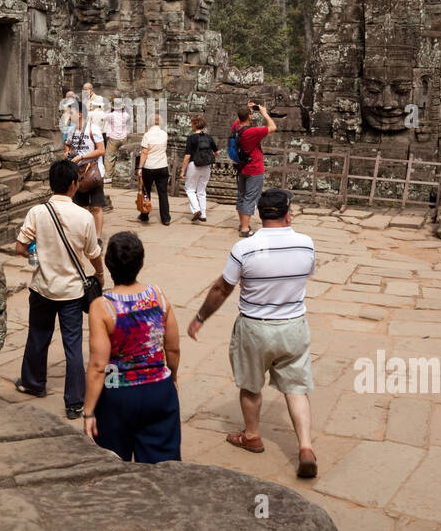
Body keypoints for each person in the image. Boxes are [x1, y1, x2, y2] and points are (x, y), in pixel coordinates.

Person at [188, 189, 318, 478]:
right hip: (293, 326)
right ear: (288, 214)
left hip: (255, 326)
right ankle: (306, 447)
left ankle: (252, 435)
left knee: (250, 386)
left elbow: (222, 288)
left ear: (259, 215)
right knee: (296, 389)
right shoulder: (306, 245)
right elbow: (306, 274)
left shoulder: (244, 248)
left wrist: (200, 318)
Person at [15, 160, 106, 420]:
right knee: (73, 346)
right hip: (72, 292)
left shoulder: (37, 212)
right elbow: (94, 253)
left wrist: (36, 254)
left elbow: (20, 247)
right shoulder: (84, 216)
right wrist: (99, 275)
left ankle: (33, 382)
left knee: (38, 336)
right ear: (74, 185)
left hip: (43, 286)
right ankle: (75, 402)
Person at [82, 232, 182, 462]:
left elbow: (98, 365)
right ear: (141, 262)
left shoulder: (103, 307)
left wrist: (88, 411)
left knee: (115, 466)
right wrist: (172, 377)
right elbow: (173, 348)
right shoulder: (158, 296)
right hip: (158, 388)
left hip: (117, 391)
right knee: (163, 466)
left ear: (108, 265)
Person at [230, 102, 276, 237]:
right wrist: (264, 113)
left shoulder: (236, 128)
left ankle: (242, 223)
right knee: (250, 198)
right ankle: (245, 229)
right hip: (254, 169)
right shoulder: (252, 132)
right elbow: (273, 127)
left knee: (241, 196)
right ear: (250, 116)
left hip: (242, 167)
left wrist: (246, 110)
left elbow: (239, 118)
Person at [68, 107, 107, 241]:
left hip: (94, 172)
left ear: (79, 114)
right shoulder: (71, 131)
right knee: (81, 207)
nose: (67, 115)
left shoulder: (93, 129)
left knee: (96, 207)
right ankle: (84, 235)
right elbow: (67, 145)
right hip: (78, 173)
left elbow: (101, 150)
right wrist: (67, 153)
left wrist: (83, 157)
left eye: (70, 112)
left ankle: (97, 237)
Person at [180, 114, 217, 222]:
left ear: (195, 125)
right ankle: (203, 214)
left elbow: (187, 156)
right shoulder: (209, 137)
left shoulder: (191, 138)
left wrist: (183, 171)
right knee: (201, 191)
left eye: (192, 123)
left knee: (190, 189)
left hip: (194, 165)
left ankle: (196, 210)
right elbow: (216, 152)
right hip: (207, 166)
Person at [137, 113, 171, 225]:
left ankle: (144, 214)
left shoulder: (147, 135)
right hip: (162, 166)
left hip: (149, 167)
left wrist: (140, 167)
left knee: (146, 191)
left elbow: (144, 152)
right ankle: (165, 218)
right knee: (163, 193)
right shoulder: (164, 134)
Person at [104, 94, 131, 201]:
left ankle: (108, 176)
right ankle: (118, 174)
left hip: (113, 138)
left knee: (110, 157)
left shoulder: (111, 115)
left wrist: (110, 110)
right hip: (123, 138)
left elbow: (104, 118)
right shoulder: (126, 115)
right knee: (120, 157)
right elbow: (126, 115)